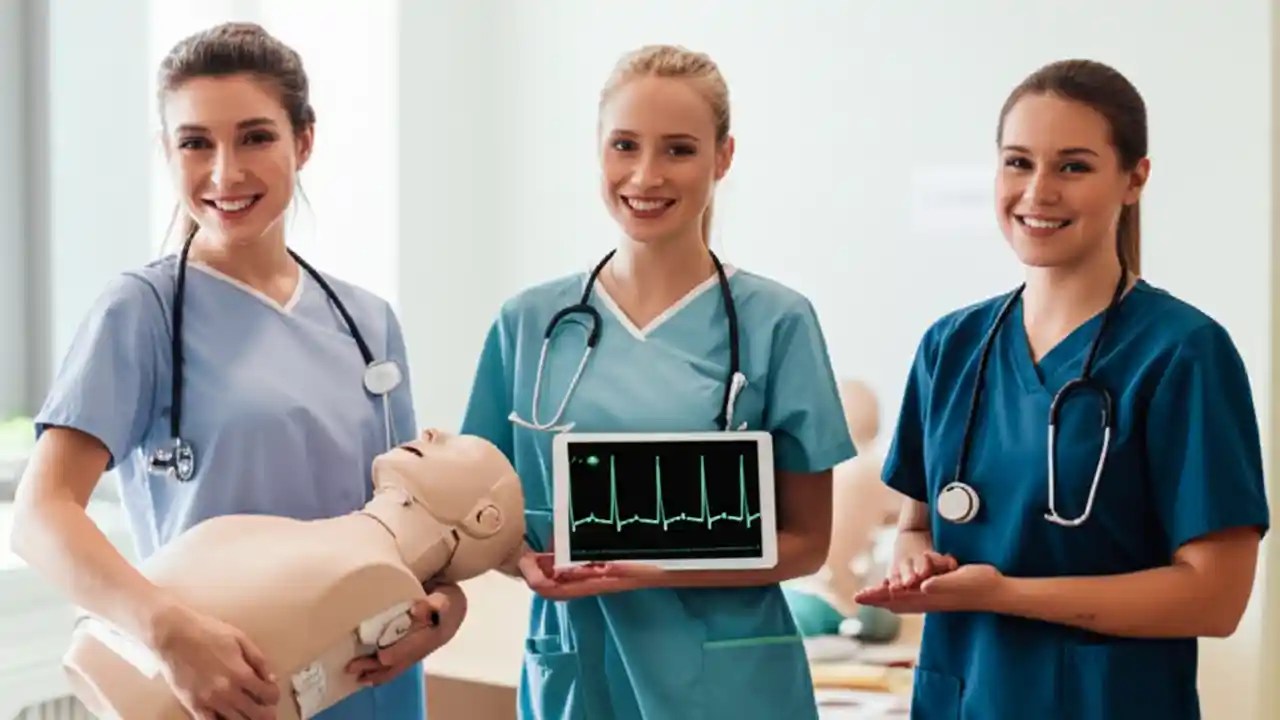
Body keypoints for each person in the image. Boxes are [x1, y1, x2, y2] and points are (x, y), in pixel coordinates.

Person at [10, 22, 456, 720]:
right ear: (167, 152)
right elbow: (40, 517)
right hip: (226, 689)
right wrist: (167, 631)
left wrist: (444, 611)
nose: (225, 172)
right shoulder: (143, 311)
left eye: (255, 137)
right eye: (195, 143)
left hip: (376, 686)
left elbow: (414, 524)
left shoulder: (368, 321)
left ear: (303, 141)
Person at [855, 59, 1271, 719]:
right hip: (961, 696)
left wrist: (1002, 594)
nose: (1038, 191)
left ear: (1135, 178)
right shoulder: (951, 347)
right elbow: (917, 524)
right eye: (1018, 163)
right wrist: (913, 566)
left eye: (1073, 166)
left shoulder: (1183, 353)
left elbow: (1214, 600)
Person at [459, 44, 855, 719]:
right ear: (599, 151)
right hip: (579, 668)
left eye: (678, 149)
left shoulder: (776, 323)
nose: (645, 175)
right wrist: (517, 563)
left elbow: (808, 544)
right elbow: (482, 523)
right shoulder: (529, 323)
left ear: (722, 158)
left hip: (730, 683)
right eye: (624, 146)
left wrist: (658, 571)